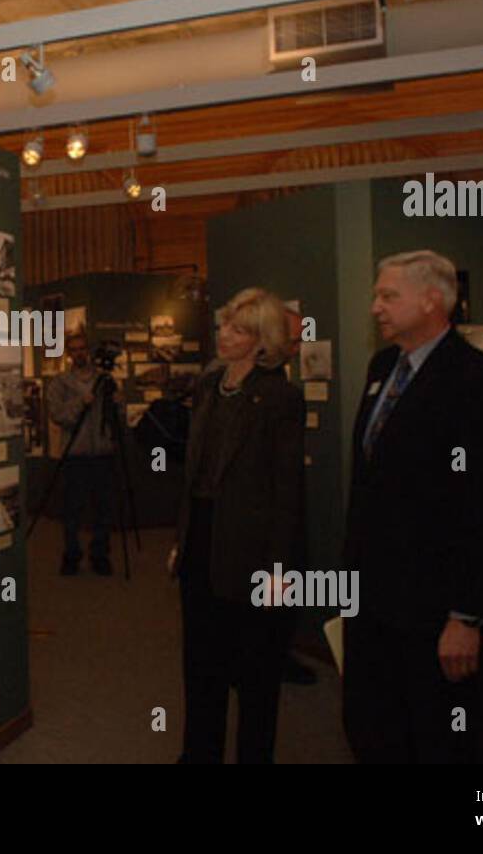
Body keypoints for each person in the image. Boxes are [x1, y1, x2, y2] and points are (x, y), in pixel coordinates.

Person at [343, 250, 483, 764]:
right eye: (376, 295)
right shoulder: (382, 368)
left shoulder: (480, 379)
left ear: (433, 300)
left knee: (445, 735)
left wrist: (466, 615)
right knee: (376, 727)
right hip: (374, 600)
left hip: (435, 605)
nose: (376, 307)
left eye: (388, 296)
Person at [169, 287, 305, 763]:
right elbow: (194, 475)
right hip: (202, 541)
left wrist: (278, 569)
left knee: (255, 677)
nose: (224, 334)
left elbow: (288, 492)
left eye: (239, 329)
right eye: (225, 324)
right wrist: (183, 539)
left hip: (253, 551)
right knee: (200, 668)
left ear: (263, 339)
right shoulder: (208, 385)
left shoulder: (280, 397)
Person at [46, 331, 115, 576]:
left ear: (89, 350)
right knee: (72, 509)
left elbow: (115, 413)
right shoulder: (60, 383)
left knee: (104, 509)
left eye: (83, 348)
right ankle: (72, 555)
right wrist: (80, 403)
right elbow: (57, 415)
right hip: (75, 454)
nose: (79, 353)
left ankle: (100, 555)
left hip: (102, 453)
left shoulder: (104, 379)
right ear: (69, 354)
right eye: (74, 349)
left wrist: (116, 400)